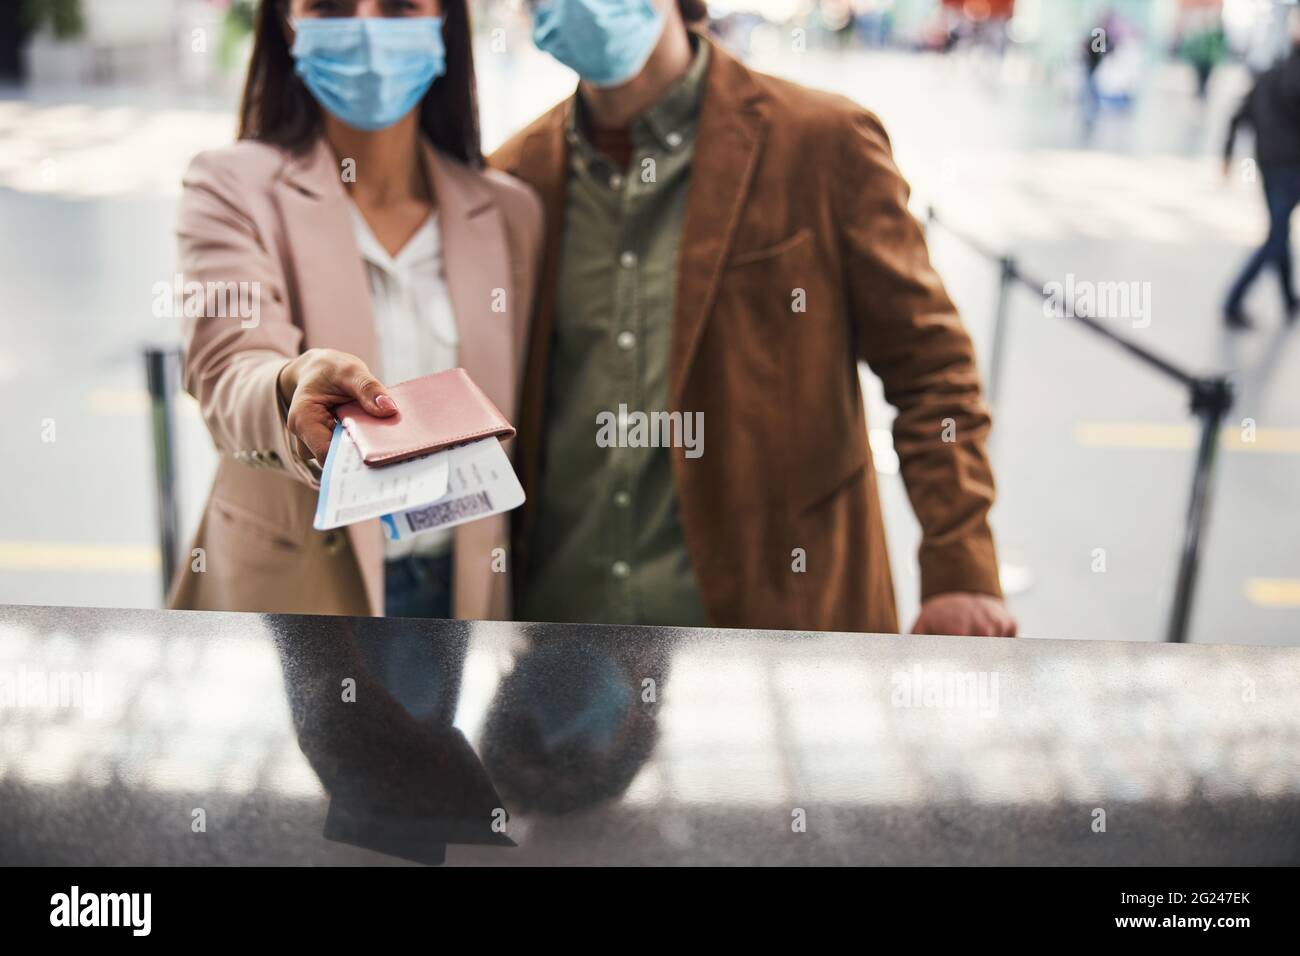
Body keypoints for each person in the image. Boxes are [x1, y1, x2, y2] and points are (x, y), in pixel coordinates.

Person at [491, 0, 1017, 637]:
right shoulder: (515, 179)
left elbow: (931, 370)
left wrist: (960, 566)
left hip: (777, 630)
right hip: (561, 639)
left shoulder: (822, 144)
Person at [167, 0, 543, 619]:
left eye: (397, 6)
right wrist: (291, 386)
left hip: (458, 593)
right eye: (334, 6)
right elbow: (228, 368)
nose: (368, 28)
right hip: (293, 595)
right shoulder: (229, 186)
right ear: (286, 23)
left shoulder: (509, 213)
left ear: (444, 20)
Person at [1223, 12, 1300, 330]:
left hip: (1267, 164)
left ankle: (1288, 297)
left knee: (1280, 230)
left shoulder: (1267, 74)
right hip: (1290, 168)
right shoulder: (1287, 77)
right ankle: (1233, 300)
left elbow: (1238, 114)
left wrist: (1225, 154)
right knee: (1277, 235)